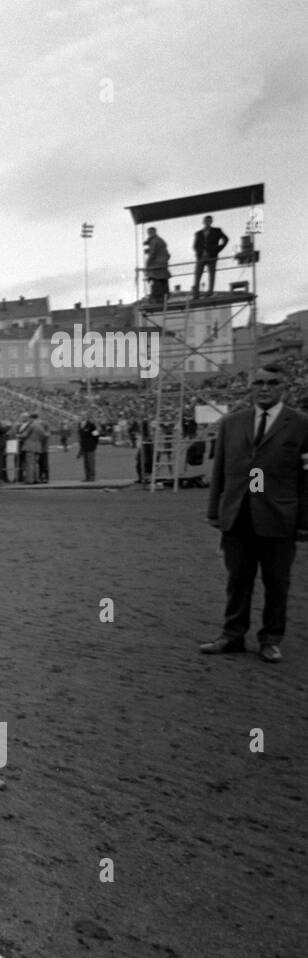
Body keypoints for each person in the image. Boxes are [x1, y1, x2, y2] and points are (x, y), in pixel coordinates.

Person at [202, 364, 308, 663]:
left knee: (277, 583)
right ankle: (232, 635)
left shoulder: (300, 424)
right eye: (258, 382)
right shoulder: (232, 423)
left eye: (272, 383)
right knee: (238, 581)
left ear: (283, 387)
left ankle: (271, 639)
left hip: (278, 517)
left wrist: (305, 521)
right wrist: (215, 511)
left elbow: (306, 478)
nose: (264, 388)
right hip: (238, 515)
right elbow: (220, 469)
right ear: (251, 386)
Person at [192, 215, 229, 296]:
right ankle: (196, 293)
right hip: (201, 257)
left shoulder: (217, 231)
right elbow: (195, 245)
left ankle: (210, 292)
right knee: (197, 275)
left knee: (211, 274)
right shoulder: (198, 233)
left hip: (212, 256)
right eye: (206, 221)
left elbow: (226, 239)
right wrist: (199, 252)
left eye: (209, 221)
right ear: (203, 222)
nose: (207, 223)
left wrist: (218, 249)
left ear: (211, 222)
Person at [144, 227, 170, 303]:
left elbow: (152, 254)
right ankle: (163, 299)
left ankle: (157, 300)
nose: (149, 235)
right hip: (163, 267)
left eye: (149, 233)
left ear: (153, 232)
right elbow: (167, 255)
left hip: (156, 268)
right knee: (163, 286)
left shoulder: (154, 241)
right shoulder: (161, 241)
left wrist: (147, 267)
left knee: (156, 285)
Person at [78, 413, 100, 482]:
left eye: (84, 415)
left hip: (90, 446)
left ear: (86, 416)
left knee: (91, 463)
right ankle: (87, 477)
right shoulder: (79, 425)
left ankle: (92, 477)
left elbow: (96, 435)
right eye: (81, 415)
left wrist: (94, 444)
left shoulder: (91, 424)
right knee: (86, 463)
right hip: (84, 446)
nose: (82, 416)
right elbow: (80, 436)